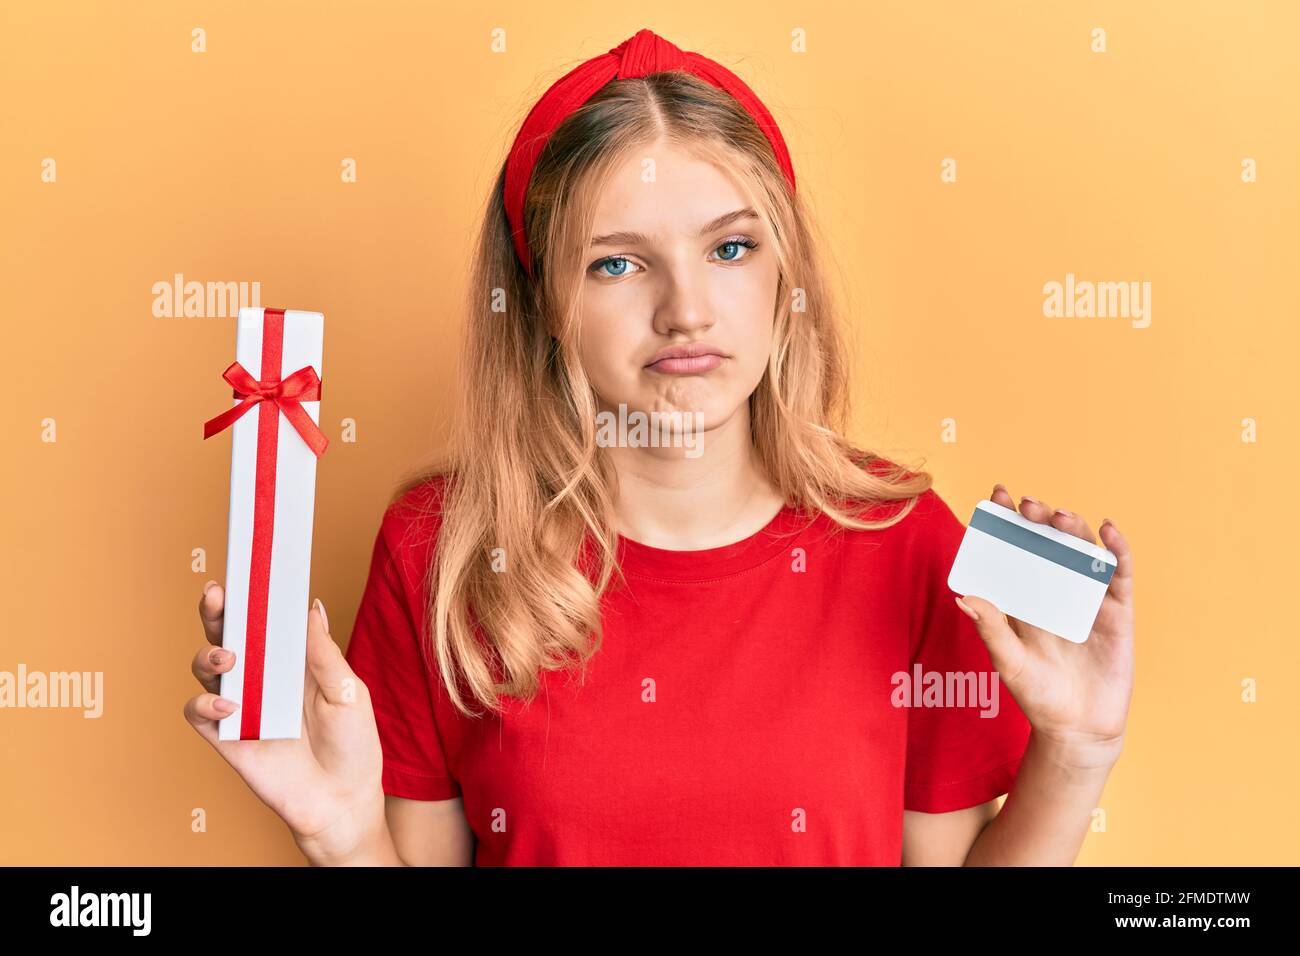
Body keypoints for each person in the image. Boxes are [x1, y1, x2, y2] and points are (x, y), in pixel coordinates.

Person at [184, 28, 1135, 866]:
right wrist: (343, 840)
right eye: (617, 263)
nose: (687, 311)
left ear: (786, 273)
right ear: (542, 303)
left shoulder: (906, 542)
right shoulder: (441, 551)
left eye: (730, 249)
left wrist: (1077, 752)